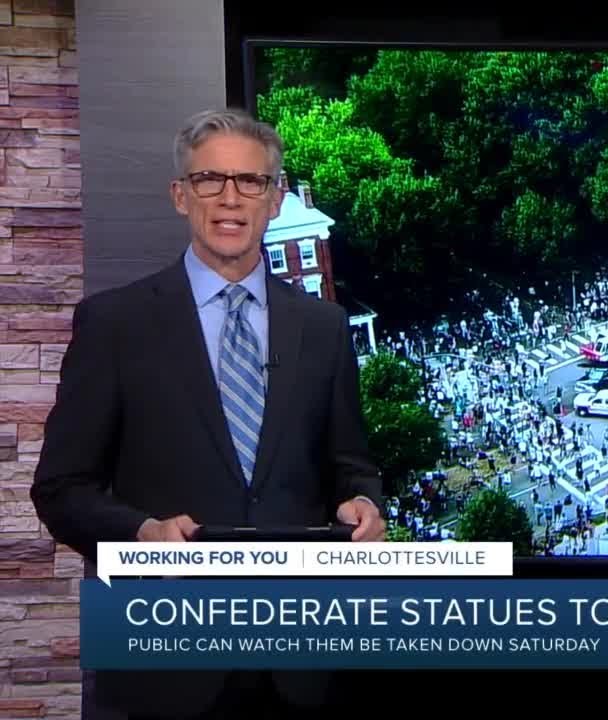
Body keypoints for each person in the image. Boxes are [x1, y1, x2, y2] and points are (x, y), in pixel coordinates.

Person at [29, 108, 386, 719]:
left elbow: (351, 466)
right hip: (162, 659)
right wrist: (140, 535)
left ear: (275, 199)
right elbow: (61, 489)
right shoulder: (116, 324)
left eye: (250, 182)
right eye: (209, 180)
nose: (230, 198)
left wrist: (364, 503)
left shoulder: (322, 327)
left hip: (299, 665)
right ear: (180, 195)